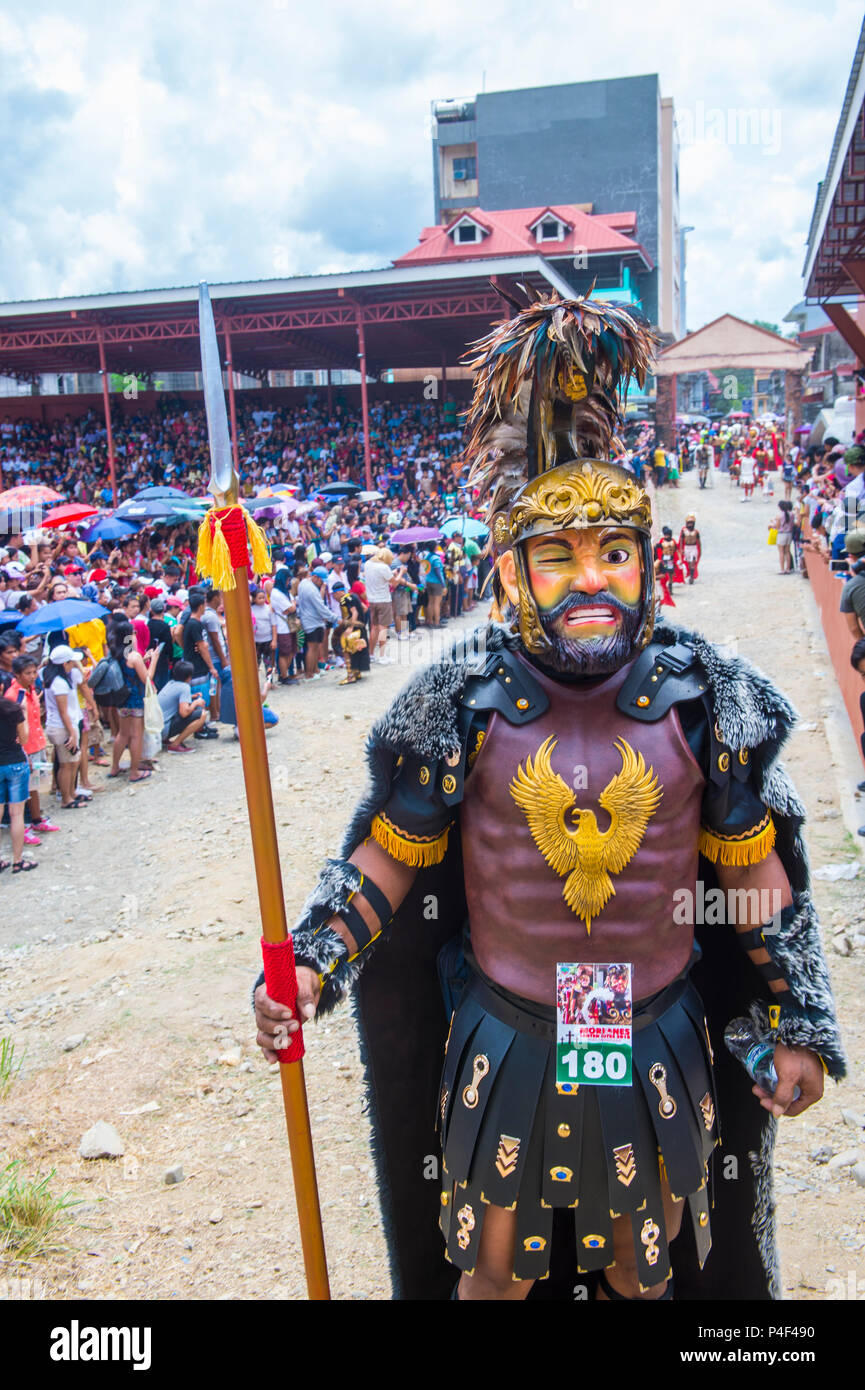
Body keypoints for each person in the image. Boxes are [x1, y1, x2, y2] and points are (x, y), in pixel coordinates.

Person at [253, 292, 841, 1302]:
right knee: (493, 1276)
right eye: (560, 556)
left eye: (614, 552)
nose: (591, 580)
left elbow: (754, 878)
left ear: (647, 562)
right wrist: (311, 961)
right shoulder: (459, 701)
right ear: (513, 572)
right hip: (507, 1036)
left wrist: (795, 1019)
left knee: (642, 1273)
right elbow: (389, 857)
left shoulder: (706, 699)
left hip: (651, 1036)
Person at [107, 619, 159, 781]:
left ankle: (114, 767)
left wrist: (143, 660)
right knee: (136, 735)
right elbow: (147, 677)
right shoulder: (134, 656)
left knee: (122, 734)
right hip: (135, 698)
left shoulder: (115, 653)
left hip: (122, 698)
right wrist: (154, 659)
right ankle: (134, 771)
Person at [43, 644, 85, 810]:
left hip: (60, 726)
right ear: (64, 664)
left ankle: (70, 793)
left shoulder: (52, 678)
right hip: (63, 727)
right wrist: (72, 733)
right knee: (66, 764)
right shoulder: (59, 683)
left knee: (70, 762)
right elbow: (63, 712)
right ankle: (67, 798)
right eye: (71, 662)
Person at [0, 692, 35, 872]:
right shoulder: (13, 710)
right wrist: (25, 715)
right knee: (17, 814)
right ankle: (17, 860)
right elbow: (24, 739)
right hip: (15, 763)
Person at [181, 588, 219, 736]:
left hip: (194, 664)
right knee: (200, 696)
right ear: (201, 606)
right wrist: (211, 667)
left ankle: (202, 725)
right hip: (197, 666)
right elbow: (202, 647)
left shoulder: (191, 623)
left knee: (201, 696)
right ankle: (199, 728)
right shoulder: (195, 624)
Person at [157, 658, 208, 750]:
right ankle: (175, 744)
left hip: (157, 729)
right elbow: (184, 713)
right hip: (163, 730)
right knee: (202, 714)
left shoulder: (171, 683)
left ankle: (166, 740)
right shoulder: (184, 687)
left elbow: (173, 698)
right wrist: (196, 702)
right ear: (189, 676)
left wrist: (191, 696)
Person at [296, 566, 336, 681]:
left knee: (313, 648)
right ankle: (310, 673)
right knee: (312, 648)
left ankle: (314, 670)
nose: (322, 583)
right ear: (316, 577)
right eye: (321, 580)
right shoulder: (311, 589)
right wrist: (334, 618)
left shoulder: (304, 584)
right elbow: (320, 607)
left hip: (310, 620)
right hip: (312, 622)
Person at [363, 546, 396, 664]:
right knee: (383, 628)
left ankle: (370, 654)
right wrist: (401, 573)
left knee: (374, 627)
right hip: (384, 600)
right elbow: (394, 583)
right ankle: (382, 656)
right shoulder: (384, 567)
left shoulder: (367, 564)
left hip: (372, 600)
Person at [770, 500, 794, 574]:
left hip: (782, 534)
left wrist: (773, 522)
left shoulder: (779, 516)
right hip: (789, 533)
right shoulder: (791, 514)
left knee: (781, 552)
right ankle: (788, 568)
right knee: (787, 552)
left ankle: (782, 569)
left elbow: (777, 526)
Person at [678, 514, 701, 584]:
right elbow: (681, 540)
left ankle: (692, 577)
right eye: (689, 523)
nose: (690, 524)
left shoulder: (696, 532)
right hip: (686, 548)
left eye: (691, 523)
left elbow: (699, 542)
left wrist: (699, 551)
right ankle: (689, 574)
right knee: (688, 563)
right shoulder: (684, 531)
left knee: (692, 562)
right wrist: (681, 549)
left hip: (693, 548)